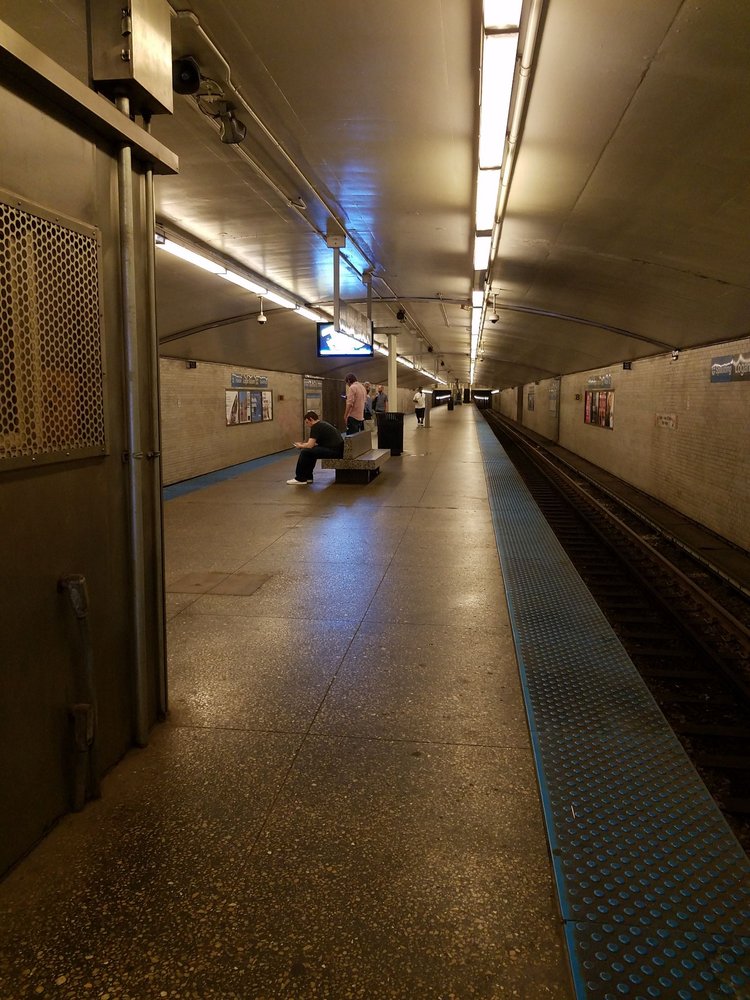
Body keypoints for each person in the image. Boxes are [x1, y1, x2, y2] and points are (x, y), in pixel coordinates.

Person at [287, 411, 344, 485]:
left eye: (307, 422)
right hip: (338, 450)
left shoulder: (316, 426)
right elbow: (313, 443)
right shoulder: (322, 424)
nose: (307, 425)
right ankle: (308, 477)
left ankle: (300, 478)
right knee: (311, 453)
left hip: (334, 451)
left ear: (311, 419)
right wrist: (304, 444)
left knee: (305, 452)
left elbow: (310, 445)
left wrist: (300, 446)